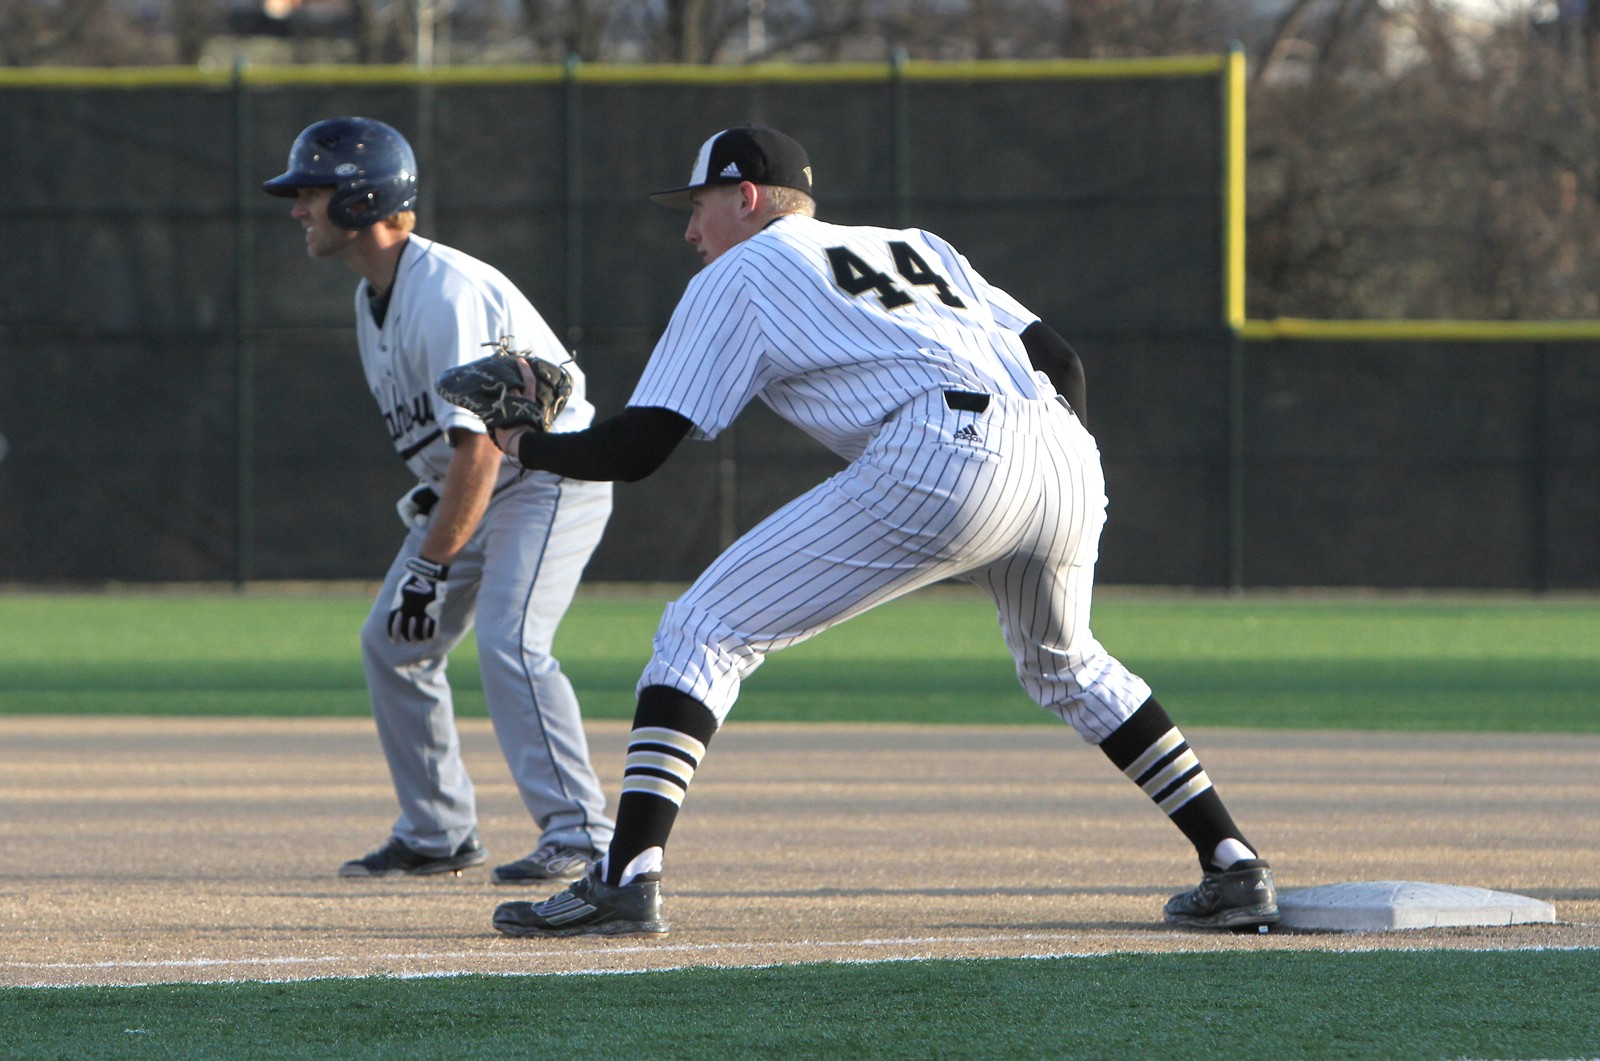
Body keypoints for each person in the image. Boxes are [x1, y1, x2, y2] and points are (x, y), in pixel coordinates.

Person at [482, 125, 1278, 937]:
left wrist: (522, 443)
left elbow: (641, 448)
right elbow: (1062, 360)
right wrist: (1034, 468)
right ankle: (1234, 863)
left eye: (699, 205)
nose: (690, 229)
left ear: (745, 198)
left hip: (948, 450)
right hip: (1066, 452)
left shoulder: (745, 269)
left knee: (703, 629)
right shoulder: (917, 245)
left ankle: (626, 876)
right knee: (1068, 664)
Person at [261, 116, 614, 886]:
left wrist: (429, 566)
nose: (297, 210)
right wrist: (431, 550)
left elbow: (481, 443)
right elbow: (459, 455)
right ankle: (437, 830)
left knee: (511, 639)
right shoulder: (373, 297)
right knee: (392, 643)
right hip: (476, 487)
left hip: (549, 475)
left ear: (359, 200)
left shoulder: (445, 292)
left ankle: (582, 834)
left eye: (311, 194)